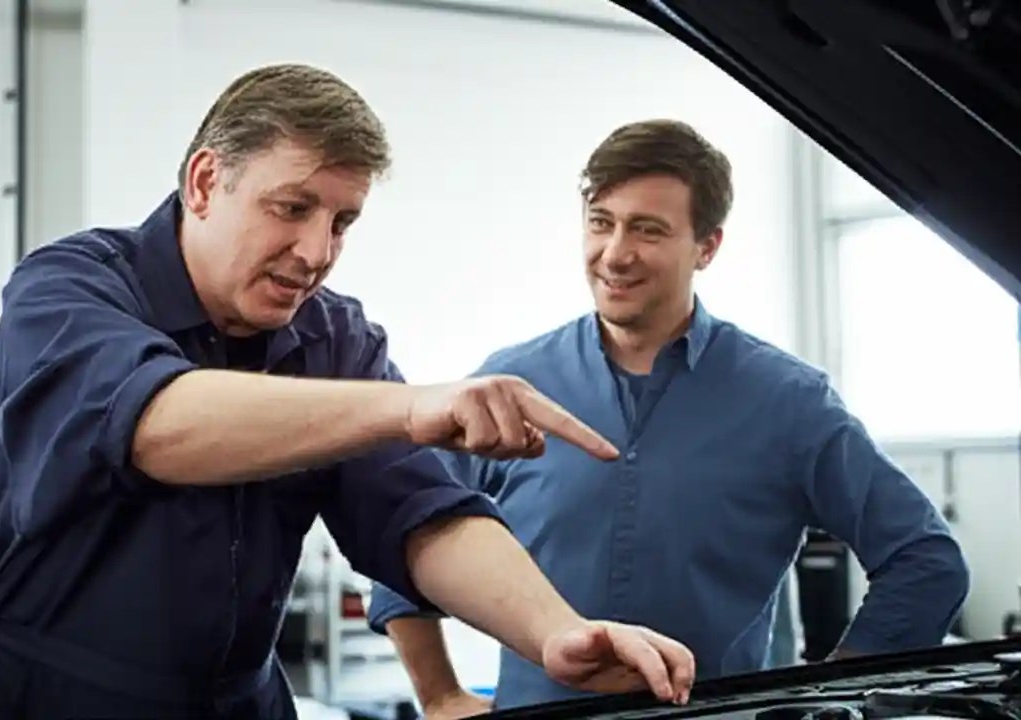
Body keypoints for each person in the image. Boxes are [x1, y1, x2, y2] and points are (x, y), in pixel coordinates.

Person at [0, 65, 697, 719]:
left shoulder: (332, 336)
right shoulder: (68, 289)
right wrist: (408, 409)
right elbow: (158, 425)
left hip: (246, 702)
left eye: (343, 221)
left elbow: (420, 512)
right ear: (207, 182)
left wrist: (553, 632)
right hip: (58, 700)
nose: (317, 253)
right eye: (293, 208)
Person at [367, 119, 970, 717]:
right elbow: (403, 532)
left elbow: (925, 560)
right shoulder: (512, 384)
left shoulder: (788, 400)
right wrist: (441, 695)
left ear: (707, 247)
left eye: (648, 230)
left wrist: (840, 697)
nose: (615, 254)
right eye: (601, 223)